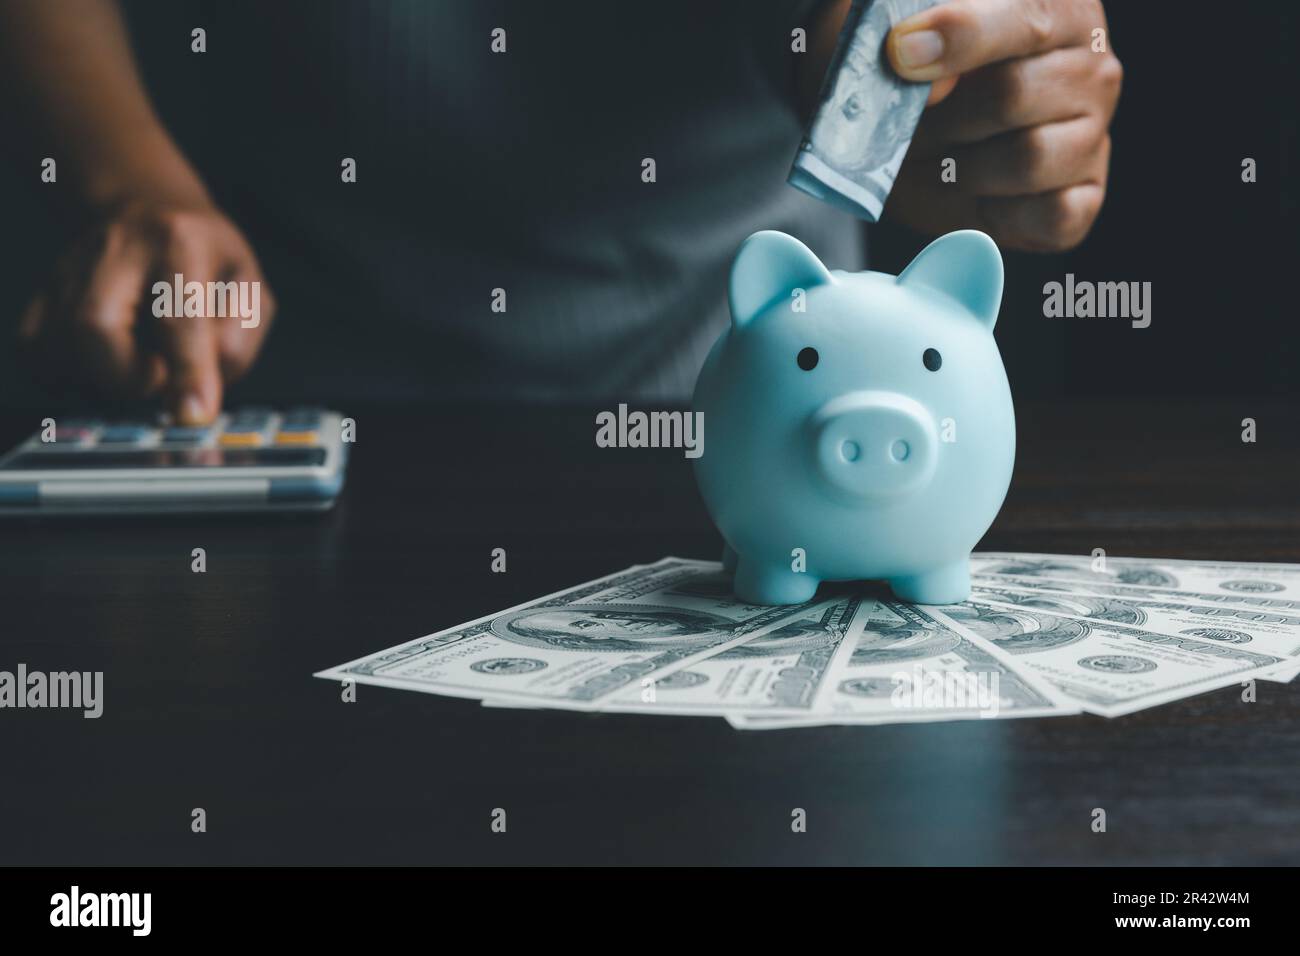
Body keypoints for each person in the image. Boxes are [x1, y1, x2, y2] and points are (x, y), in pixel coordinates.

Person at [1, 0, 1120, 422]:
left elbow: (856, 25)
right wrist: (126, 176)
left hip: (722, 414)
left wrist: (913, 77)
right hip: (248, 392)